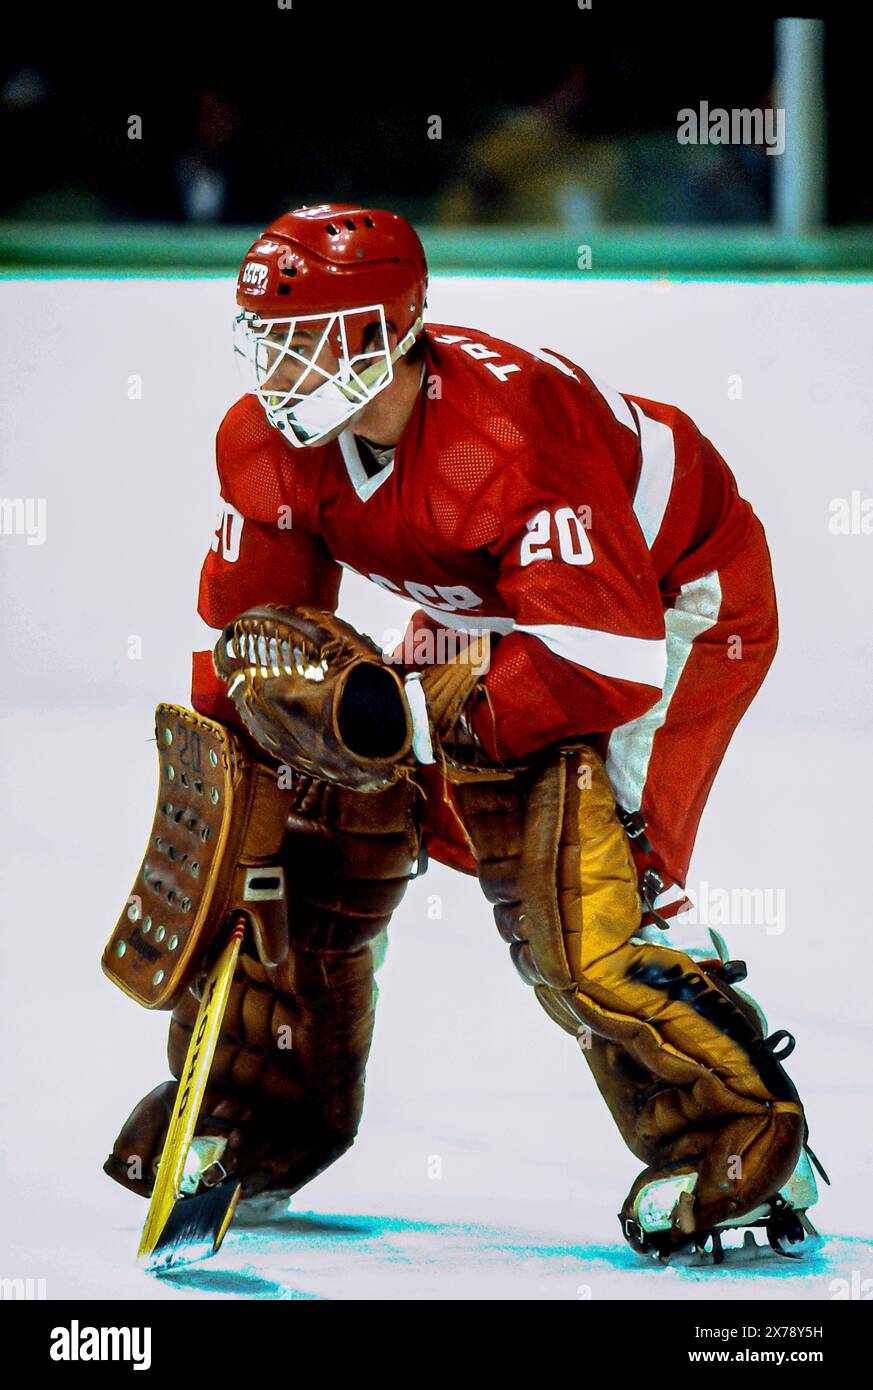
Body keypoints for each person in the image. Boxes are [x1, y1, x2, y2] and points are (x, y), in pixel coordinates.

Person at [106, 204, 822, 1263]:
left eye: (304, 339)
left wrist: (464, 721)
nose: (276, 368)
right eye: (266, 338)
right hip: (495, 604)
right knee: (317, 834)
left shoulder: (507, 430)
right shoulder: (265, 440)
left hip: (674, 597)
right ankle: (270, 1111)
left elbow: (607, 660)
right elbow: (259, 637)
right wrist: (257, 762)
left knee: (587, 882)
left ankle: (748, 1138)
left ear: (384, 332)